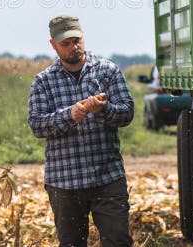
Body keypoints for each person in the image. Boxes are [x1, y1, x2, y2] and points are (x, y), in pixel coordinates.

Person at [27, 15, 135, 247]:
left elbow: (127, 113)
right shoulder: (43, 82)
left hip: (107, 177)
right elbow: (36, 125)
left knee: (118, 241)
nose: (73, 47)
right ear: (53, 45)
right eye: (65, 43)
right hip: (64, 182)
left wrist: (104, 110)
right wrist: (70, 115)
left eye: (76, 40)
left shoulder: (107, 71)